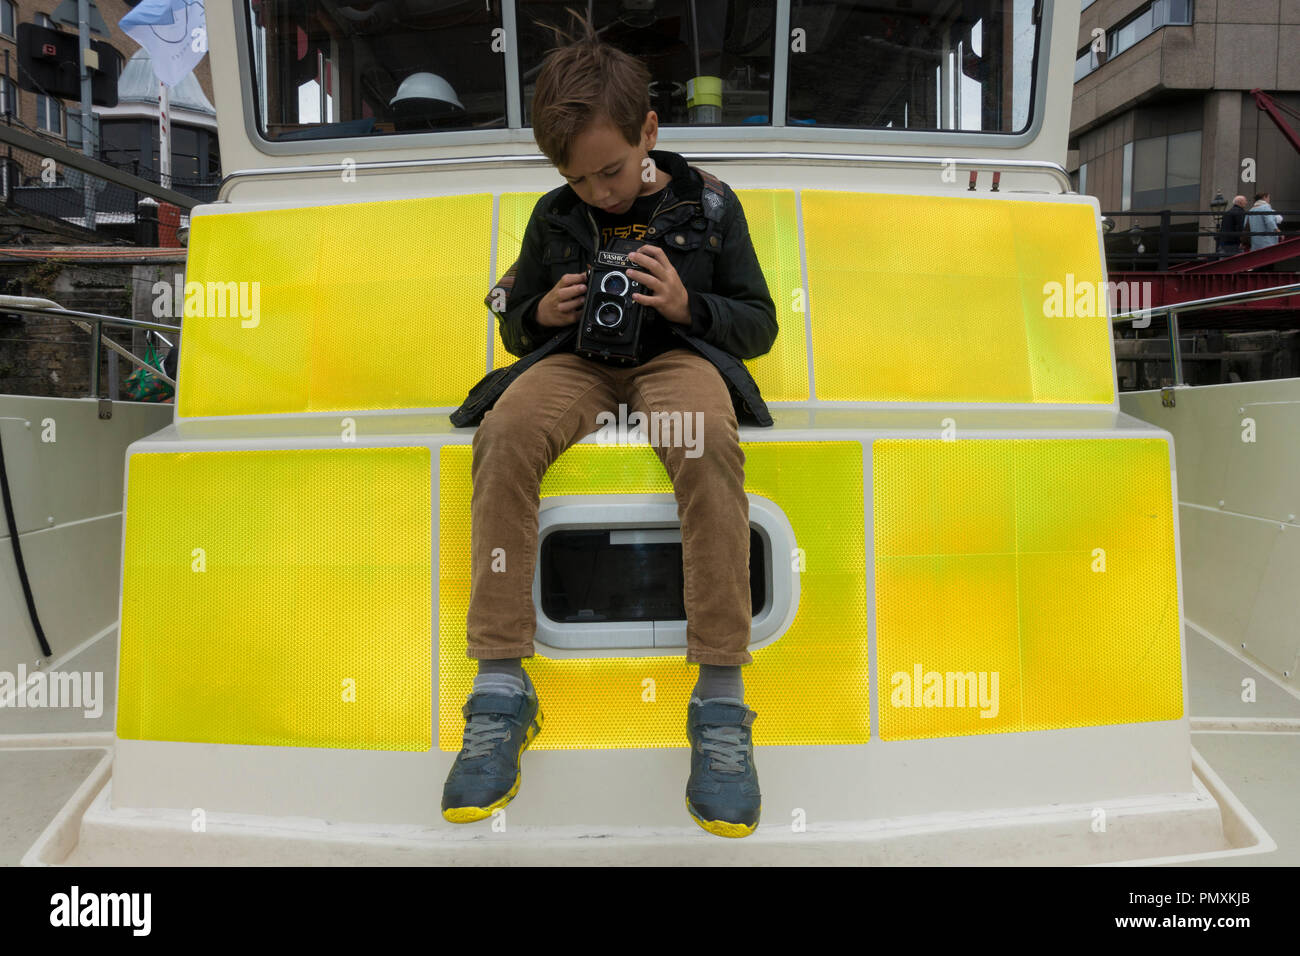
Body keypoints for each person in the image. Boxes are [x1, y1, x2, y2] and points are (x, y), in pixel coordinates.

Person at [444, 15, 778, 839]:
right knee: (508, 432)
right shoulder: (552, 214)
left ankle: (721, 705)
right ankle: (500, 687)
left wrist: (686, 303)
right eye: (580, 179)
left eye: (613, 170)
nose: (600, 192)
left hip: (676, 358)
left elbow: (760, 325)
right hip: (577, 362)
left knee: (708, 447)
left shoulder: (713, 204)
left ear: (650, 132)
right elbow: (516, 328)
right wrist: (540, 309)